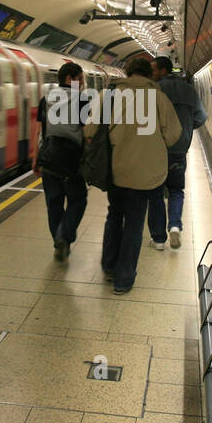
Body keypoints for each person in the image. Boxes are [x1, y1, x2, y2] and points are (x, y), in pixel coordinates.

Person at [84, 57, 181, 294]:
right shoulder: (159, 97)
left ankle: (108, 266)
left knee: (114, 215)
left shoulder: (110, 95)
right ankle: (124, 279)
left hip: (115, 171)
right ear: (149, 74)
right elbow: (173, 135)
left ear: (127, 73)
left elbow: (89, 130)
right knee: (135, 224)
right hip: (145, 173)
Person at [146, 56, 206, 249]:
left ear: (163, 70)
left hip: (156, 150)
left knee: (155, 193)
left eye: (154, 70)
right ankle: (174, 226)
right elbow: (201, 118)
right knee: (176, 190)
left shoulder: (153, 91)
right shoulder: (189, 91)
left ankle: (158, 239)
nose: (151, 74)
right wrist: (186, 130)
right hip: (179, 150)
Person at [36, 63, 88, 262]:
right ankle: (64, 236)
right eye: (80, 79)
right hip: (72, 161)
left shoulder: (45, 99)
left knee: (54, 204)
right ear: (69, 79)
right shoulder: (82, 100)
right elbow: (85, 132)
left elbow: (39, 132)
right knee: (78, 199)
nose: (83, 83)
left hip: (48, 158)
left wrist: (36, 158)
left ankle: (58, 240)